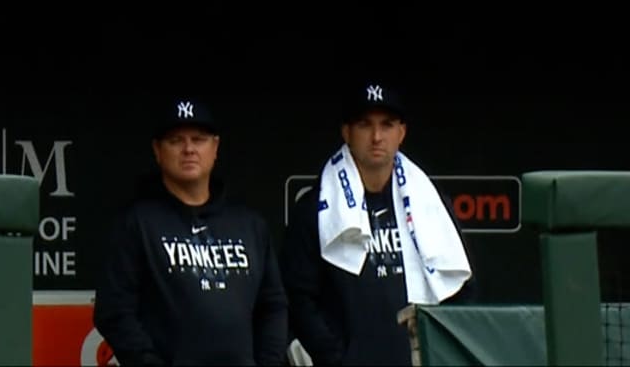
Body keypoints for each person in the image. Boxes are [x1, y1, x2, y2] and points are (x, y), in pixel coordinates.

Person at [281, 84, 474, 367]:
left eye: (387, 125)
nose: (376, 137)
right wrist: (336, 357)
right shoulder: (316, 209)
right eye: (364, 125)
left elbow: (462, 289)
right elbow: (298, 299)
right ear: (346, 132)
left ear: (401, 133)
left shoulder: (431, 205)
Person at [93, 96, 289, 366]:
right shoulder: (136, 223)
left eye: (198, 139)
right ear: (157, 150)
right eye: (176, 141)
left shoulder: (250, 225)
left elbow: (273, 305)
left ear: (215, 147)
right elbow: (114, 312)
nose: (188, 149)